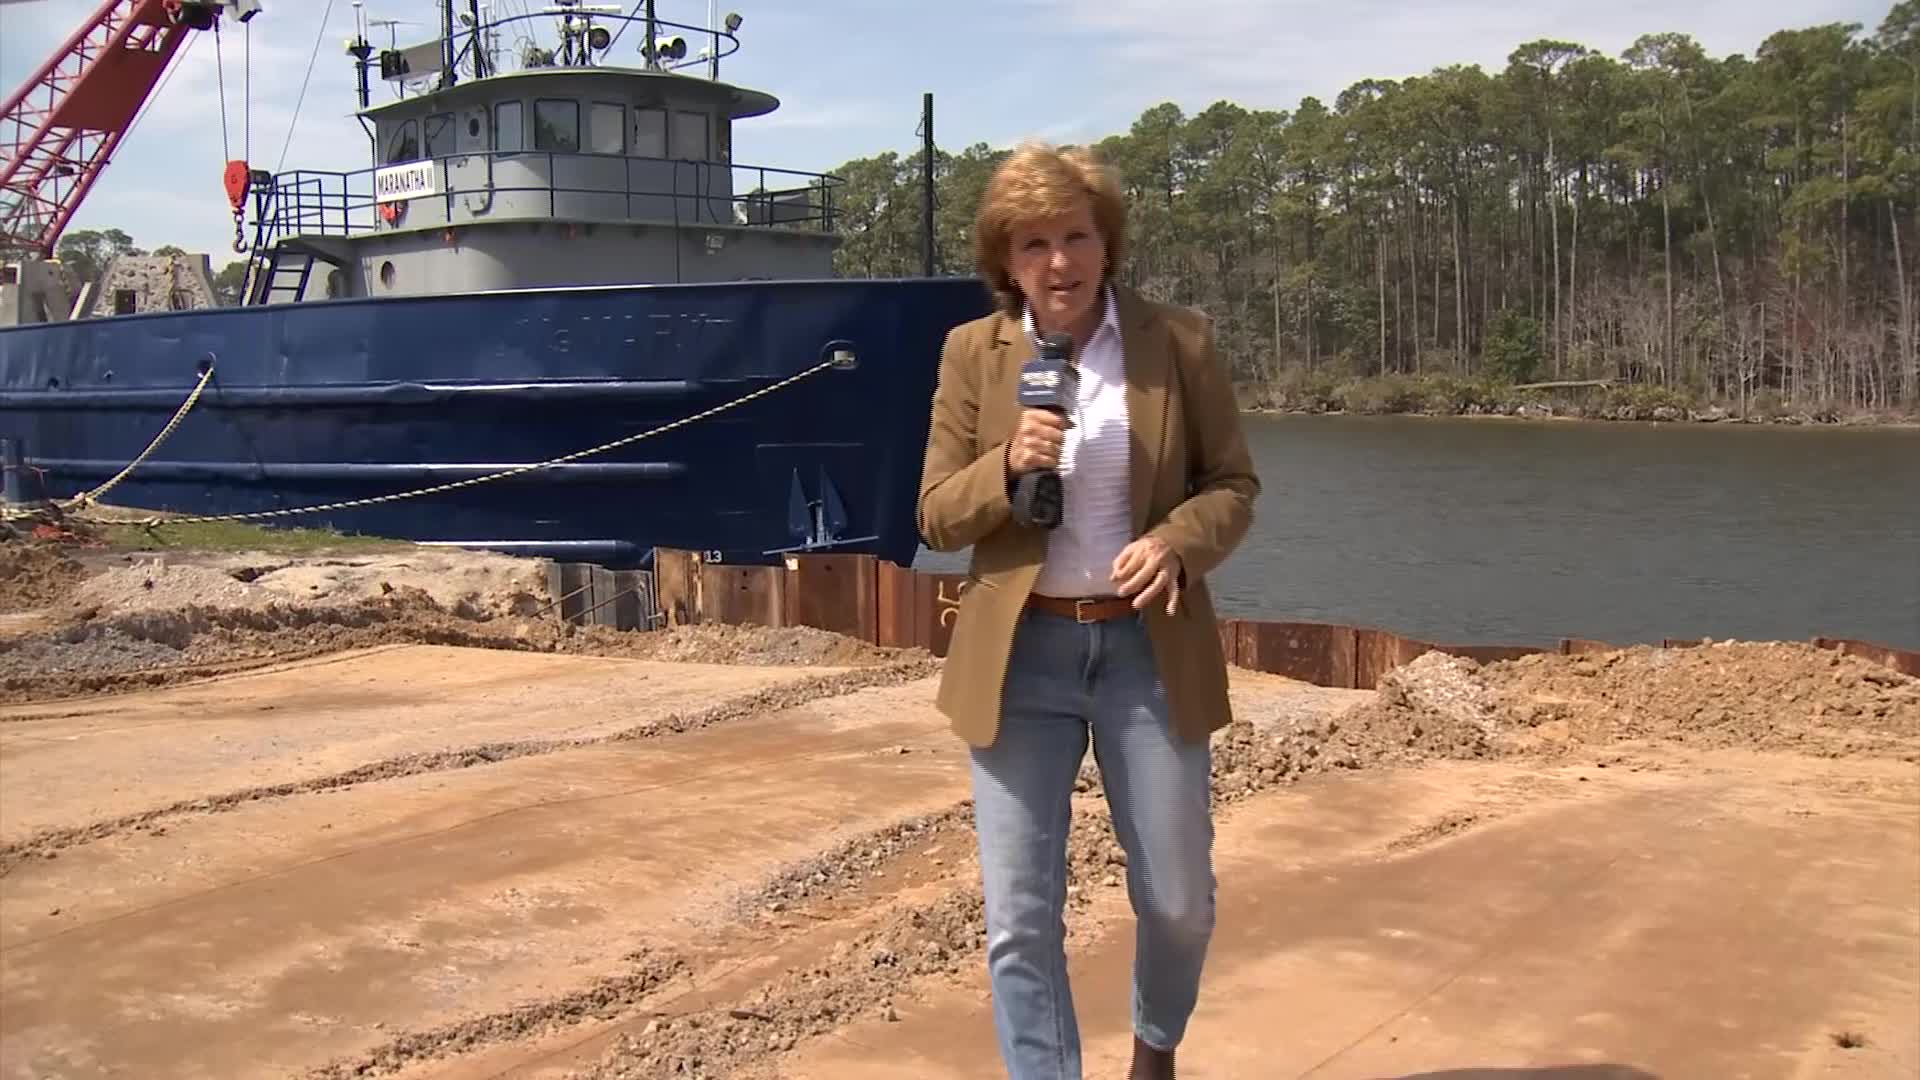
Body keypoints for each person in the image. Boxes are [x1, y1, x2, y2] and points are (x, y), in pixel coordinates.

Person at [915, 141, 1260, 1080]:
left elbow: (1232, 484)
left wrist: (1177, 543)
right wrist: (1008, 465)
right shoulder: (971, 356)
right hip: (1020, 657)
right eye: (1034, 244)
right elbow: (936, 513)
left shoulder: (1178, 343)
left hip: (1146, 651)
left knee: (1179, 900)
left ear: (1107, 244)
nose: (1057, 262)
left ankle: (1156, 1051)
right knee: (1019, 917)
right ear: (1007, 260)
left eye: (1075, 237)